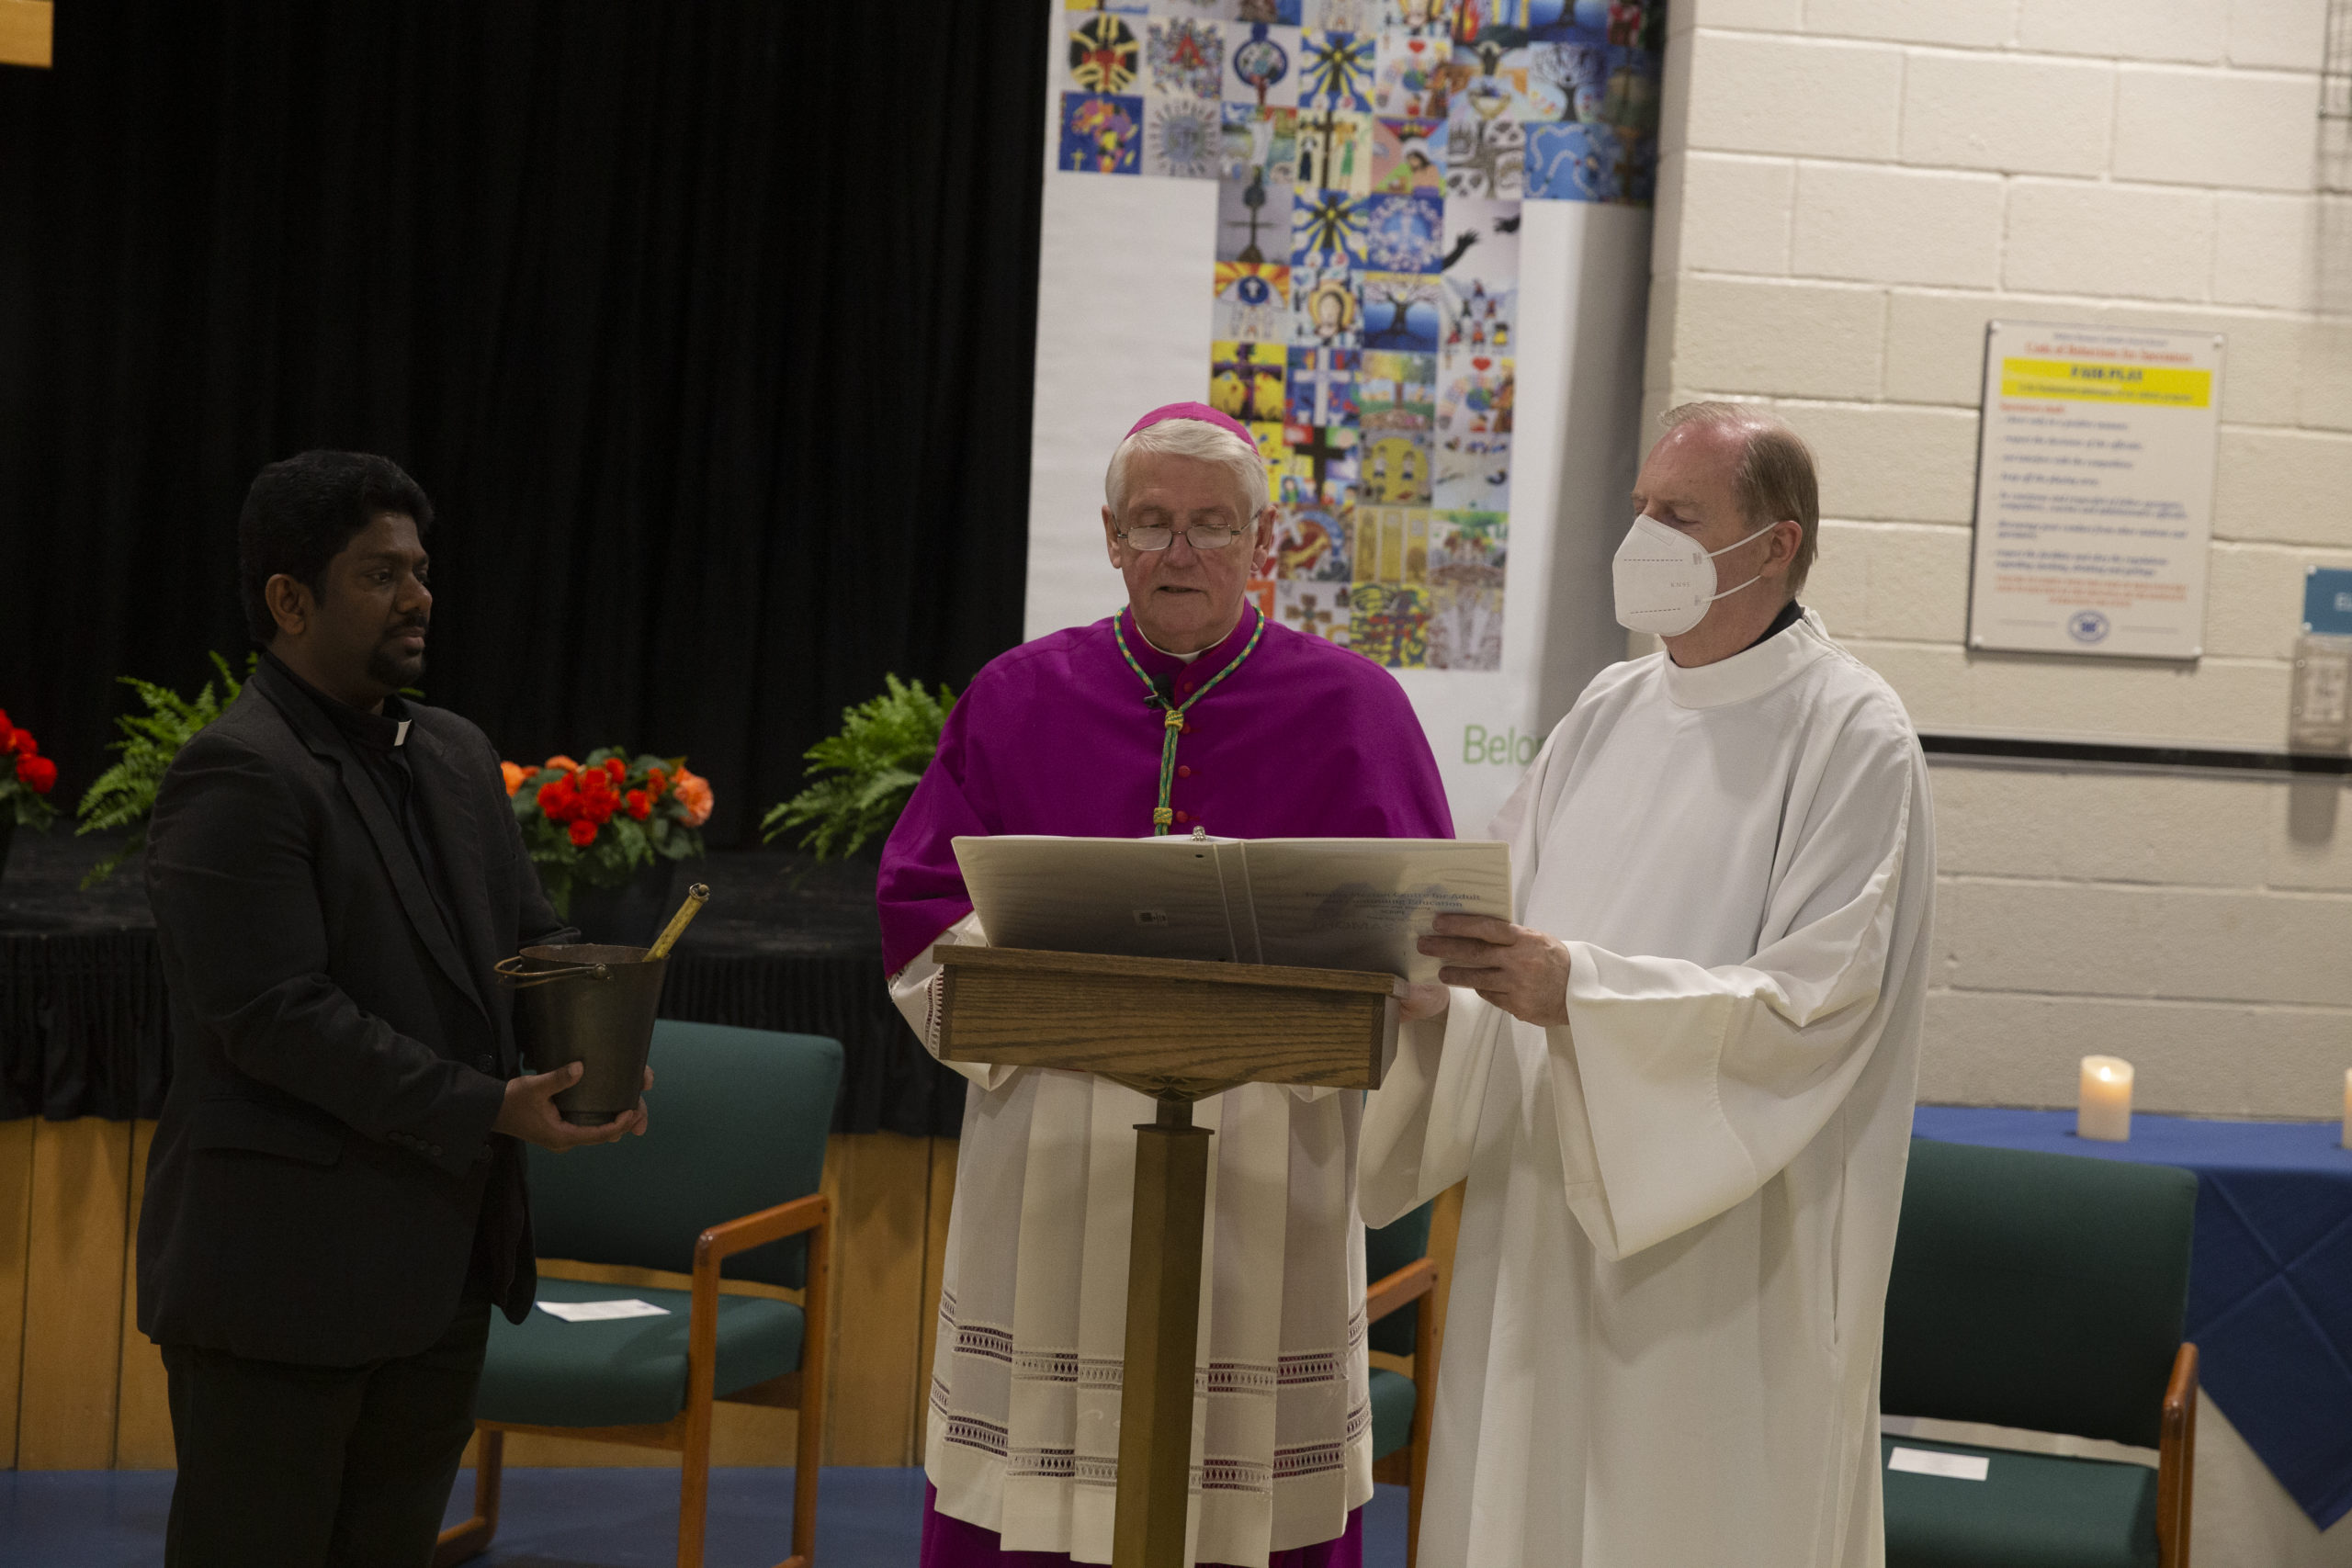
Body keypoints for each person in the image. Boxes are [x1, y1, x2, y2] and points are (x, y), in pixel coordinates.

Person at [879, 403, 1453, 1568]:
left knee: (1238, 1481)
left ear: (1264, 544)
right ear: (1110, 536)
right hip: (1057, 1138)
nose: (1179, 552)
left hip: (1265, 1147)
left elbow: (1423, 937)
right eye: (1152, 523)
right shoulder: (1018, 695)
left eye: (1209, 526)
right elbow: (920, 905)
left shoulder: (1353, 709)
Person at [1362, 402, 1935, 1567]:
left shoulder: (1852, 734)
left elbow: (1813, 1009)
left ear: (1774, 546)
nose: (1644, 540)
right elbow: (1500, 940)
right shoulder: (1608, 710)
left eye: (1677, 516)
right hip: (1540, 1216)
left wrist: (1577, 992)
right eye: (1639, 511)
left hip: (1720, 1246)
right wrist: (1435, 990)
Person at [139, 451, 650, 1568]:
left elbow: (527, 943)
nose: (418, 596)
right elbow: (275, 1018)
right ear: (290, 598)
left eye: (419, 568)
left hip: (440, 1272)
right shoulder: (239, 771)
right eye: (380, 574)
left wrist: (592, 1043)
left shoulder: (455, 752)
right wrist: (488, 1108)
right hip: (280, 1282)